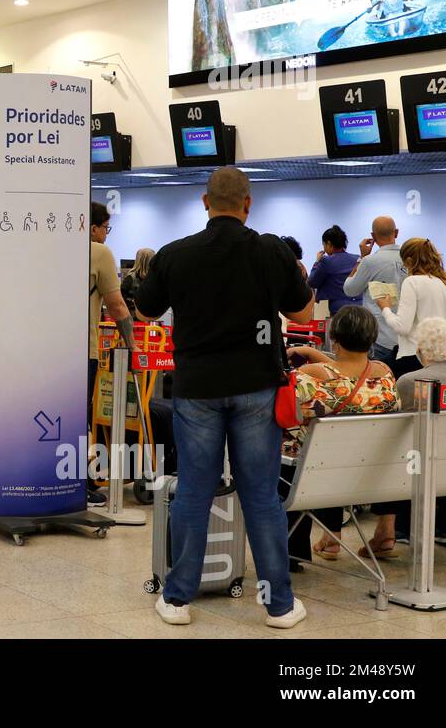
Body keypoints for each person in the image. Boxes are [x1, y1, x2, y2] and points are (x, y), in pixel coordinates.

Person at [135, 167, 314, 629]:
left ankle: (176, 600)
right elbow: (302, 310)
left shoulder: (175, 254)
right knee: (261, 496)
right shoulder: (272, 250)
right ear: (248, 203)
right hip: (256, 386)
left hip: (196, 389)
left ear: (204, 202)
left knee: (194, 490)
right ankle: (278, 606)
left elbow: (145, 309)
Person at [285, 305, 399, 561]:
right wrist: (315, 353)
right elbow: (348, 375)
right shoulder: (385, 376)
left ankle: (298, 551)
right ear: (372, 339)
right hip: (375, 475)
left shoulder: (309, 378)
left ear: (333, 340)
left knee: (287, 456)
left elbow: (284, 411)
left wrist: (307, 355)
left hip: (318, 476)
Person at [386, 317, 446, 548]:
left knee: (410, 451)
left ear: (420, 349)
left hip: (414, 465)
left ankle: (402, 527)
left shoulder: (408, 382)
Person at [89, 202, 136, 504]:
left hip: (44, 349)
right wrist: (132, 345)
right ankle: (78, 484)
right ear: (93, 228)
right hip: (82, 348)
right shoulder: (99, 253)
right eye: (106, 227)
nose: (107, 234)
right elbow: (117, 306)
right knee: (78, 418)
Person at [375, 237, 446, 379]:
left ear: (410, 261)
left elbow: (402, 327)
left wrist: (385, 308)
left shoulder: (412, 282)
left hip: (417, 358)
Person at [343, 216, 407, 365]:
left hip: (380, 337)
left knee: (379, 384)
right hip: (406, 338)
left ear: (373, 236)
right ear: (396, 233)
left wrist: (362, 258)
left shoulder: (370, 261)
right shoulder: (409, 258)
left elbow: (350, 289)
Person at [308, 225, 362, 322]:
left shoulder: (326, 261)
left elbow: (312, 282)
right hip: (359, 308)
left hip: (338, 311)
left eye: (324, 244)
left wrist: (317, 262)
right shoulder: (357, 259)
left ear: (329, 243)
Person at [119, 248, 155, 320]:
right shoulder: (130, 278)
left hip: (149, 318)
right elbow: (120, 300)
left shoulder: (153, 278)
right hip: (132, 319)